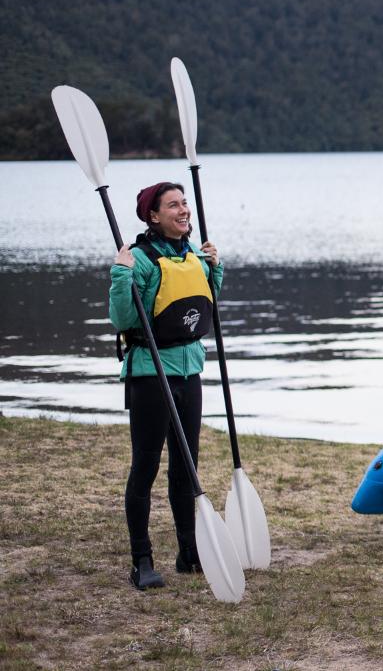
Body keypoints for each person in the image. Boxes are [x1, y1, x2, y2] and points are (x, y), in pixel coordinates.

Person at [109, 182, 221, 590]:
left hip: (190, 371)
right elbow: (122, 319)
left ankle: (188, 552)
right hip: (151, 374)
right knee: (146, 467)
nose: (184, 209)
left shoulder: (193, 255)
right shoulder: (138, 260)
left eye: (185, 202)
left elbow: (205, 308)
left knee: (186, 466)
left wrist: (215, 267)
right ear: (153, 216)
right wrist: (120, 275)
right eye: (174, 204)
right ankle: (141, 560)